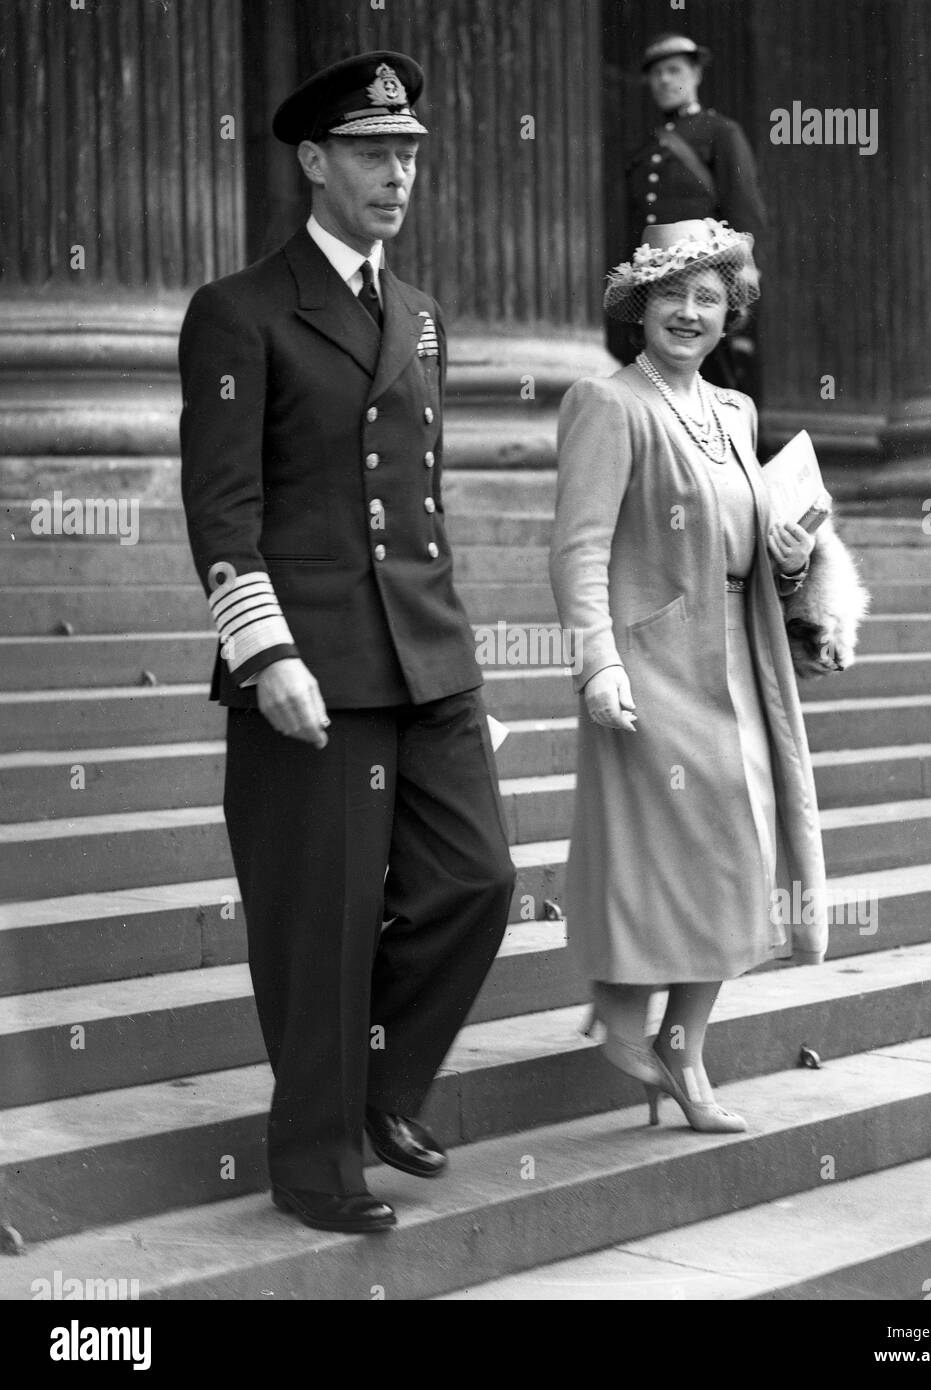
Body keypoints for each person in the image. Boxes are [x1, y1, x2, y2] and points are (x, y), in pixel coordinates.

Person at [179, 51, 515, 1234]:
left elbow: (420, 497)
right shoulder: (240, 310)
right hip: (309, 658)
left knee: (479, 878)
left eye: (409, 152)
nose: (396, 173)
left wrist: (456, 656)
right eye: (373, 152)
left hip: (426, 654)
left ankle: (378, 1083)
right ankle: (315, 1163)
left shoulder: (421, 316)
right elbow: (222, 506)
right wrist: (264, 653)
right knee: (317, 918)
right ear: (314, 161)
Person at [549, 219, 826, 1135]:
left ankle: (682, 1039)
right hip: (654, 665)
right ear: (639, 307)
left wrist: (788, 562)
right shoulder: (608, 402)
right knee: (669, 849)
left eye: (709, 298)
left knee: (738, 850)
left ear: (727, 318)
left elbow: (745, 534)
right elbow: (580, 548)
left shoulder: (736, 412)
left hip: (741, 656)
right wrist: (597, 661)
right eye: (672, 294)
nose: (689, 312)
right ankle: (631, 1017)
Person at [620, 32, 767, 401]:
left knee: (717, 382)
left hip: (705, 281)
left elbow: (744, 208)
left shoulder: (720, 132)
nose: (665, 80)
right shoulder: (647, 145)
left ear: (696, 74)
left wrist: (743, 280)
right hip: (655, 284)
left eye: (674, 70)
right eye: (657, 74)